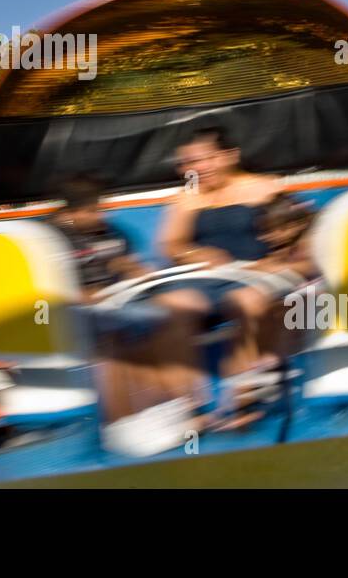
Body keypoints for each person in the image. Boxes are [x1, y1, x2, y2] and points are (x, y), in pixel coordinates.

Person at [158, 124, 314, 427]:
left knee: (245, 301)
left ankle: (243, 402)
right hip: (206, 280)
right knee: (172, 305)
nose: (198, 168)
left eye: (207, 158)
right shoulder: (187, 198)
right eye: (189, 162)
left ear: (230, 155)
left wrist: (278, 264)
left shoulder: (265, 188)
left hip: (258, 277)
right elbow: (171, 244)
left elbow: (301, 232)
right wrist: (195, 253)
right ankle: (191, 409)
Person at [49, 175, 208, 454]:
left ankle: (180, 405)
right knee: (118, 330)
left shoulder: (111, 233)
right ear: (71, 212)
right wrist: (89, 296)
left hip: (121, 299)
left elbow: (132, 266)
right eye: (93, 211)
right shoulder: (47, 239)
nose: (101, 216)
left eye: (100, 208)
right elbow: (45, 289)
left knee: (181, 307)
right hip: (71, 311)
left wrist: (135, 271)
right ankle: (124, 425)